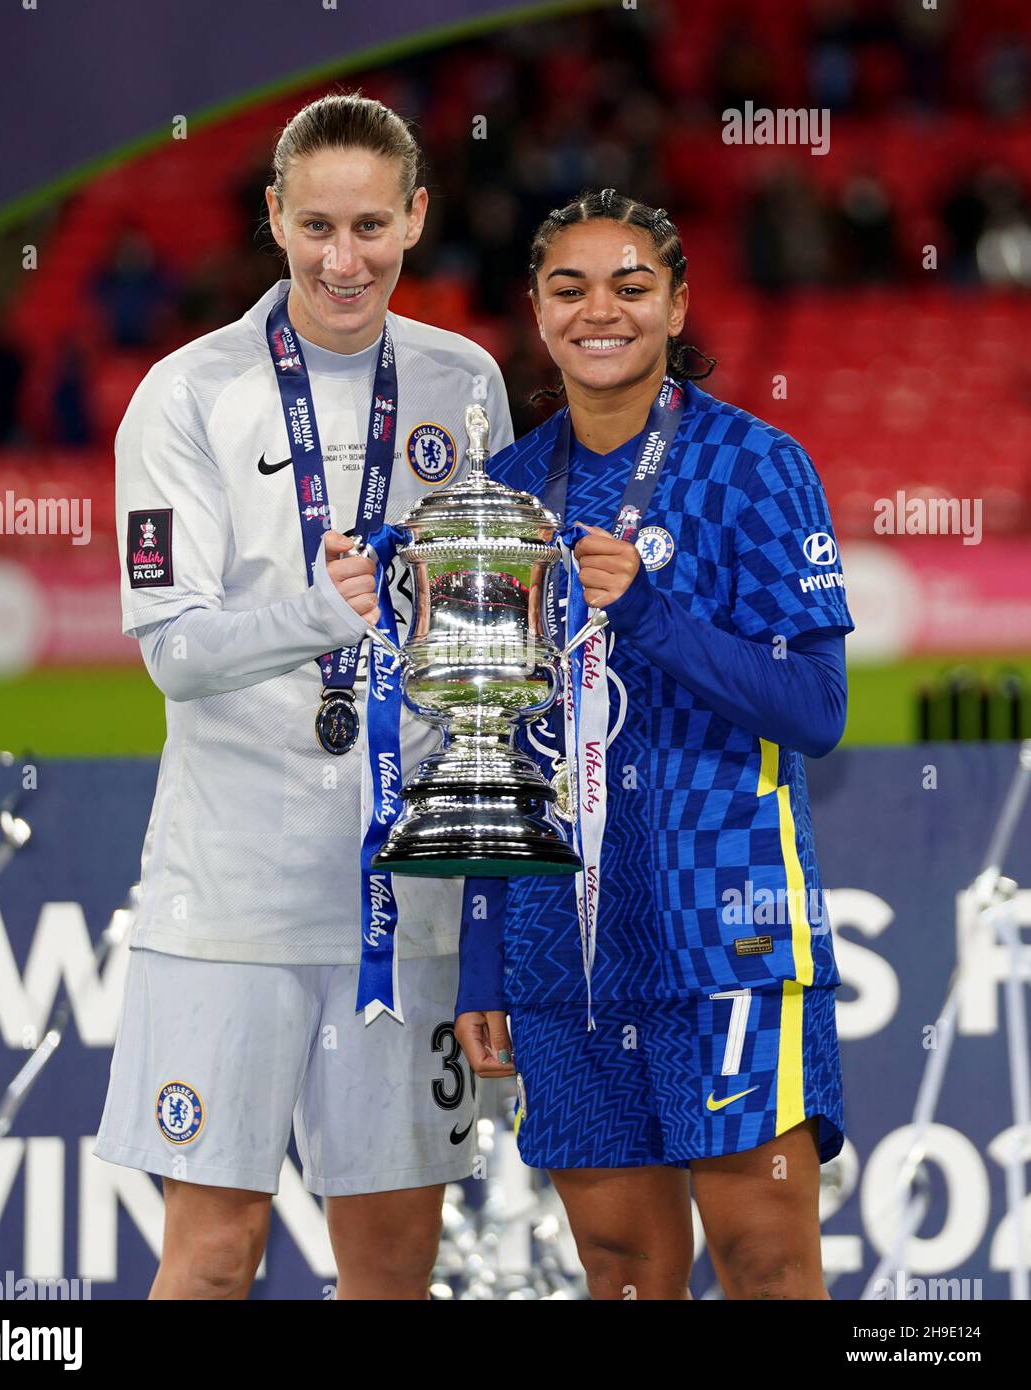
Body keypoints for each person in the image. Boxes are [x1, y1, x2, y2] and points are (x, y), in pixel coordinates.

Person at [95, 93, 513, 1300]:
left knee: (389, 1269)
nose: (345, 259)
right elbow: (172, 648)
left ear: (417, 217)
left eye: (372, 225)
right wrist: (330, 619)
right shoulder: (186, 393)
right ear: (274, 217)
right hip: (229, 898)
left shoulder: (463, 381)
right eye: (317, 224)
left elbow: (485, 635)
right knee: (216, 1253)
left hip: (406, 895)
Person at [455, 189, 853, 1300]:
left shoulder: (755, 468)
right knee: (623, 1271)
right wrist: (483, 958)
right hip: (560, 952)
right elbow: (488, 751)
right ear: (535, 312)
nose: (601, 311)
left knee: (766, 1261)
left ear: (675, 304)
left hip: (726, 935)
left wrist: (652, 615)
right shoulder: (501, 497)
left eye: (630, 286)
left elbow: (816, 710)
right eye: (569, 288)